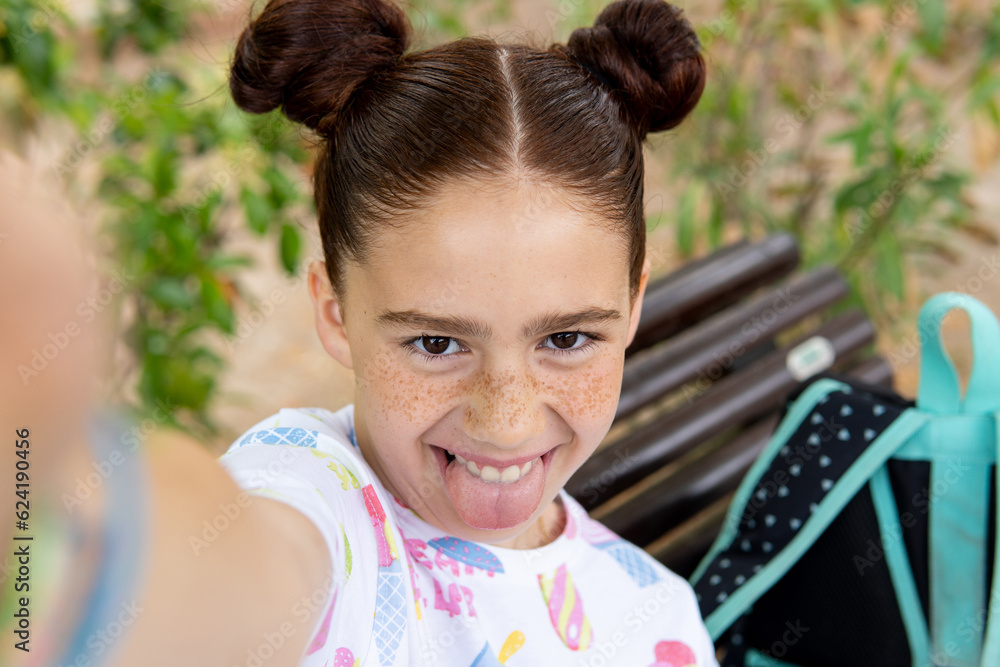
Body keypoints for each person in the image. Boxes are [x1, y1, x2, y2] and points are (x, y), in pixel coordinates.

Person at [1, 0, 716, 664]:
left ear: (634, 303)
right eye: (436, 343)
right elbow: (243, 571)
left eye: (565, 340)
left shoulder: (659, 618)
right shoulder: (318, 499)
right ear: (334, 311)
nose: (505, 422)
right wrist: (43, 488)